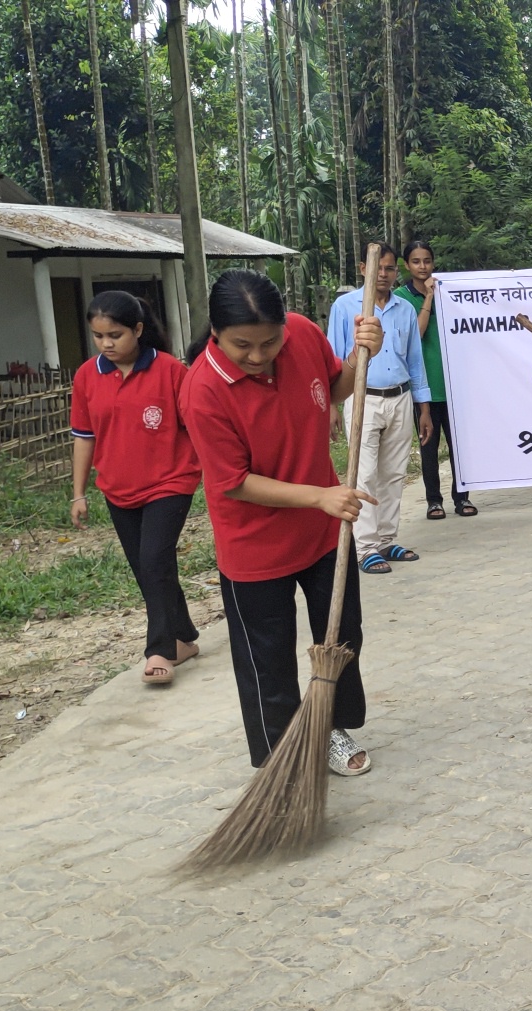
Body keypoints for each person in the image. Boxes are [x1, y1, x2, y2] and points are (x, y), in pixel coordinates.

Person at [181, 271, 382, 776]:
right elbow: (233, 482)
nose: (257, 355)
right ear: (216, 333)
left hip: (323, 534)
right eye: (241, 345)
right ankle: (280, 756)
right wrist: (319, 495)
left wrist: (361, 356)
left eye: (269, 342)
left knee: (339, 639)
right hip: (255, 549)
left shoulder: (303, 334)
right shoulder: (202, 388)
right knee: (265, 660)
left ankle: (327, 727)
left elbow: (332, 388)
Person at [70, 291, 202, 686]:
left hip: (170, 481)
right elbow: (83, 436)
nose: (107, 344)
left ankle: (159, 649)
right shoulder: (86, 376)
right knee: (146, 568)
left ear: (139, 330)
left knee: (154, 560)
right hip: (117, 488)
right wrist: (78, 493)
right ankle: (185, 638)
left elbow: (197, 424)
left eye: (116, 335)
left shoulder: (170, 371)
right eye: (99, 336)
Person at [327, 244, 430, 575]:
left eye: (389, 269)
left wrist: (423, 407)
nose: (384, 275)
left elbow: (415, 361)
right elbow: (332, 359)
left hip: (399, 397)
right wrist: (332, 403)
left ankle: (387, 539)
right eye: (379, 268)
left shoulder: (403, 310)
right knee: (364, 473)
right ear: (364, 268)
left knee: (394, 472)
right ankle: (366, 546)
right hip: (362, 397)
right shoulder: (345, 307)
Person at [396, 240, 474, 519]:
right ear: (407, 265)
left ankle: (462, 498)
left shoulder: (448, 292)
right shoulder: (402, 298)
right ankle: (433, 501)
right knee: (428, 446)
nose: (422, 267)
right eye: (416, 261)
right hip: (424, 386)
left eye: (427, 261)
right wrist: (428, 298)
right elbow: (414, 334)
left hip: (454, 384)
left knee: (458, 447)